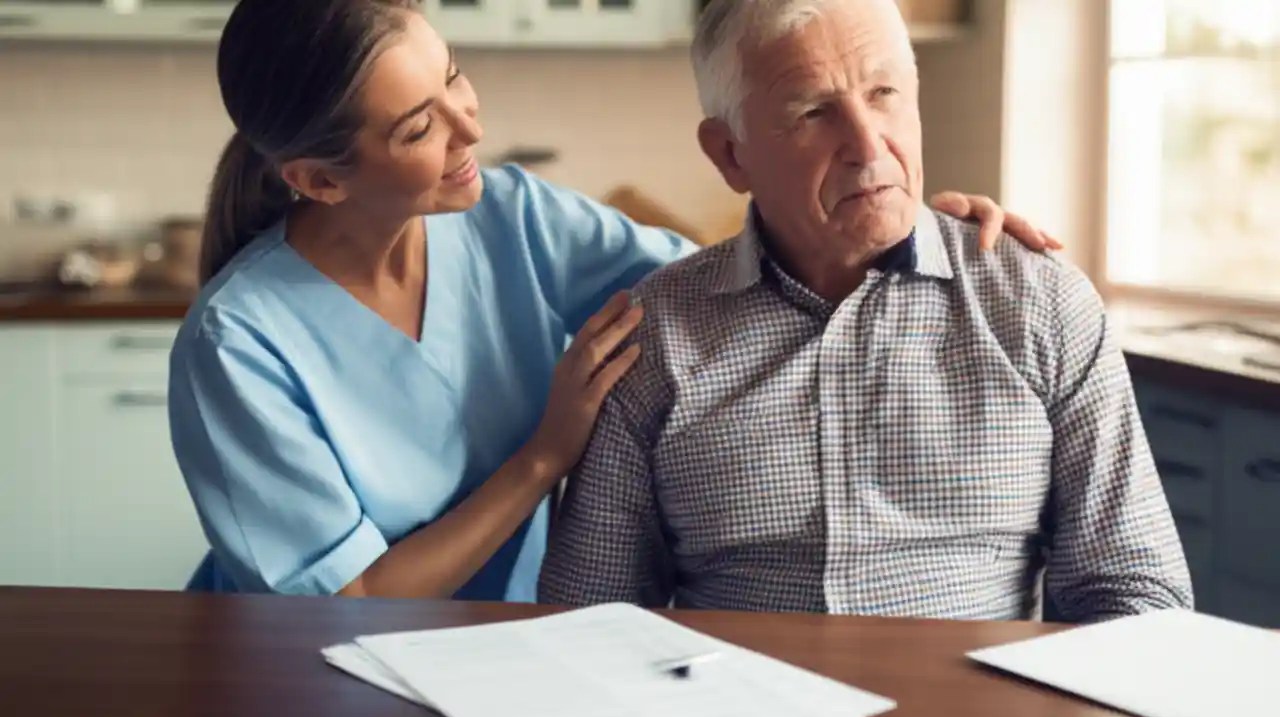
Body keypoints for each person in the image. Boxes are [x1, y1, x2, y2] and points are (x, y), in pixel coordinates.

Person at [169, 0, 1058, 601]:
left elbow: (728, 277)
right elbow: (347, 601)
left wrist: (892, 223)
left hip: (502, 651)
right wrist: (542, 458)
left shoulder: (511, 217)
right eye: (418, 126)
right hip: (311, 676)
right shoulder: (238, 344)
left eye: (452, 78)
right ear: (320, 180)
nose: (468, 124)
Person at [538, 0, 1193, 621]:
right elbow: (590, 615)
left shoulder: (1040, 304)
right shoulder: (658, 334)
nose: (869, 145)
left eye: (884, 95)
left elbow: (1136, 590)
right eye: (814, 112)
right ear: (730, 154)